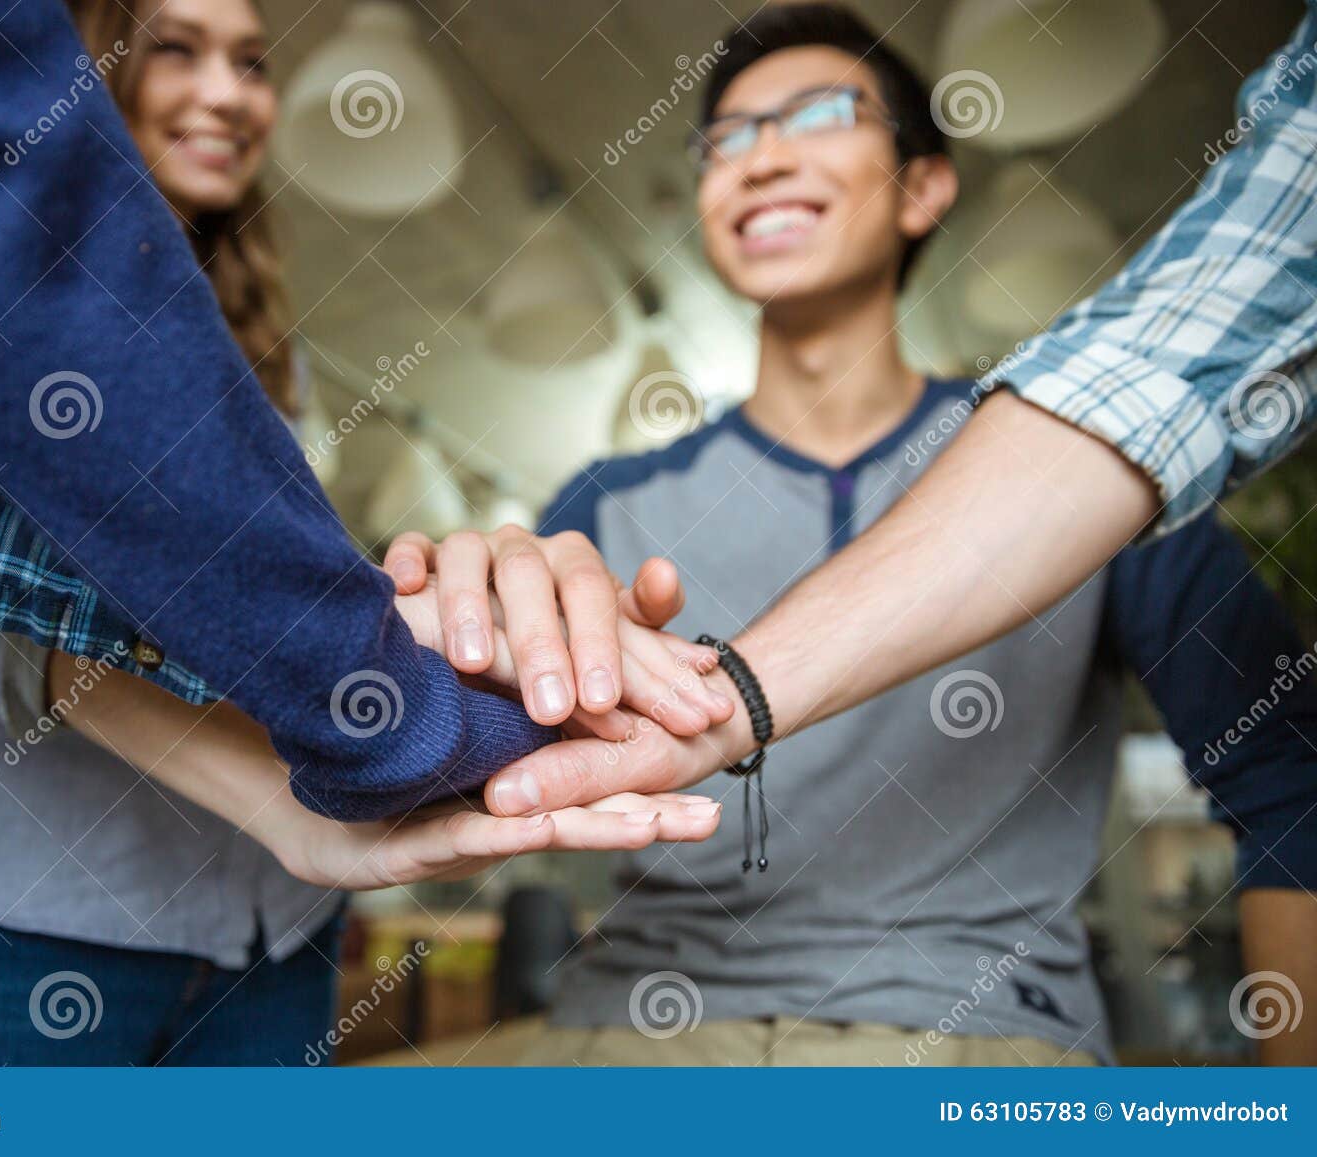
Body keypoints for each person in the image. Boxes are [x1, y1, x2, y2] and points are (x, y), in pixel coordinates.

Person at [0, 0, 724, 1066]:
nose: (226, 92)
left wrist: (436, 619)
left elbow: (287, 598)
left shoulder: (285, 374)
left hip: (271, 940)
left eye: (251, 62)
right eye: (177, 51)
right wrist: (345, 743)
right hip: (27, 923)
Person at [391, 4, 1317, 1066]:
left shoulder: (1097, 474)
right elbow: (478, 774)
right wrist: (416, 647)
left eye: (821, 115)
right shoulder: (600, 505)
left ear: (923, 185)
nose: (761, 158)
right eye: (725, 140)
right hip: (637, 1031)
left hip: (961, 1033)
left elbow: (1285, 780)